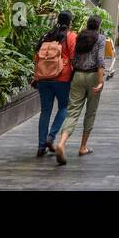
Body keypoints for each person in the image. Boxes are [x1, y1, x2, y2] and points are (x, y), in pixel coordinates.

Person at [55, 15, 108, 164]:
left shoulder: (80, 37)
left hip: (77, 75)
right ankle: (83, 146)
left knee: (72, 112)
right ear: (98, 25)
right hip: (93, 76)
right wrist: (100, 81)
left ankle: (61, 143)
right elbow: (100, 60)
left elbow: (73, 58)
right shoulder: (100, 38)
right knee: (90, 112)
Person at [34, 11, 76, 157]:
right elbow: (73, 58)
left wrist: (36, 75)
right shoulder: (70, 36)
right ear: (70, 22)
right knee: (64, 106)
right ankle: (50, 137)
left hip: (43, 77)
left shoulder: (47, 36)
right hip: (62, 78)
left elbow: (36, 56)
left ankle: (40, 146)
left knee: (45, 111)